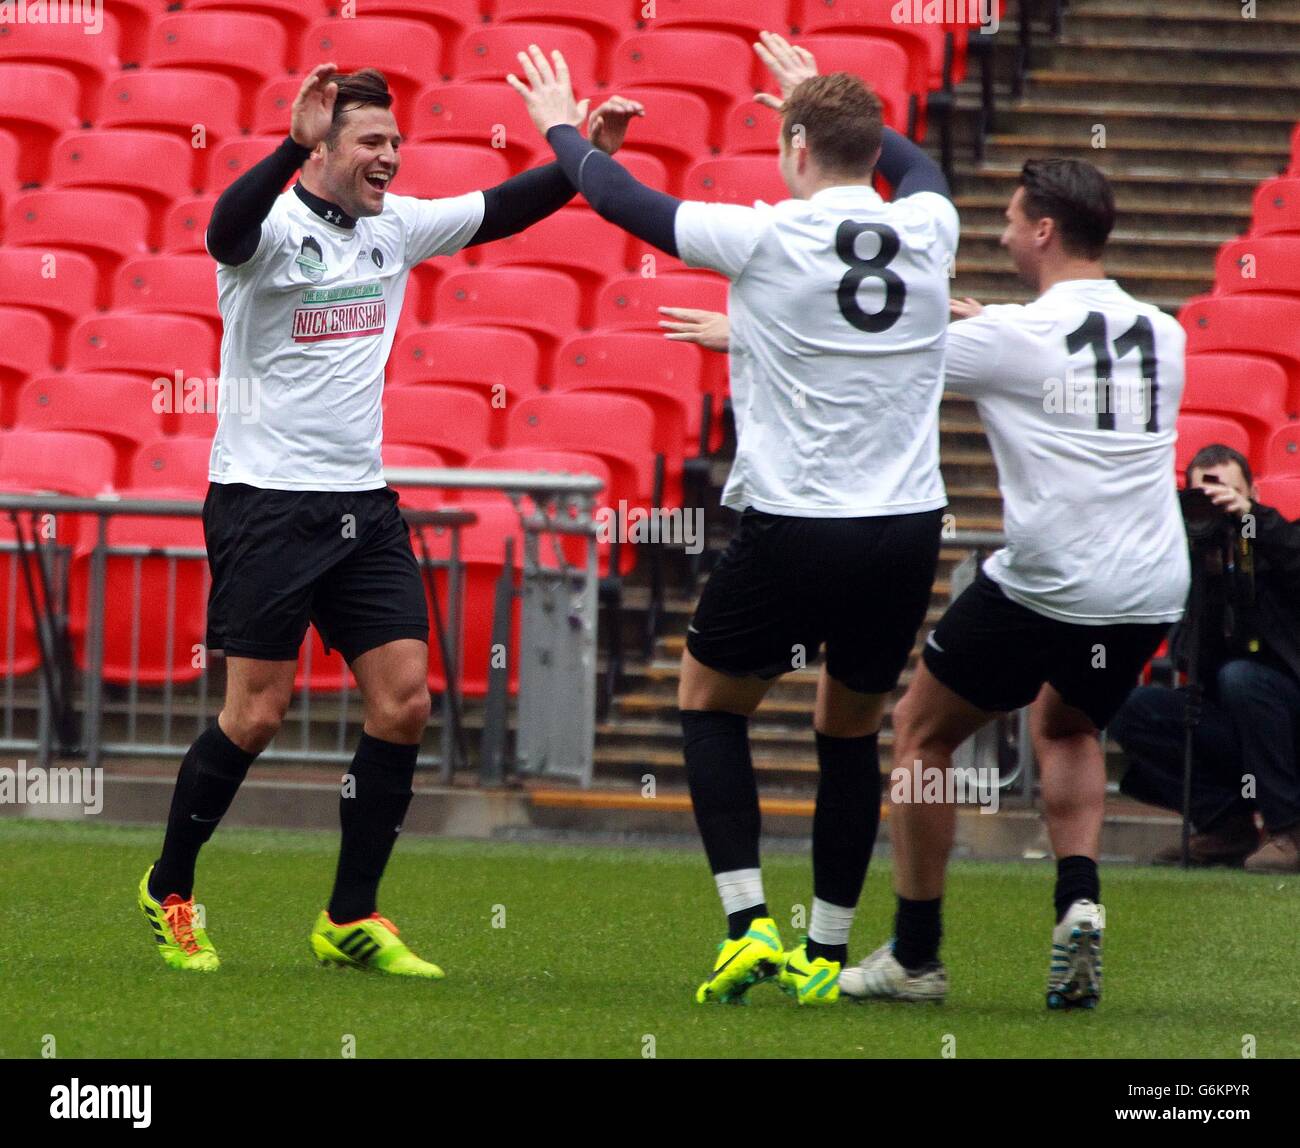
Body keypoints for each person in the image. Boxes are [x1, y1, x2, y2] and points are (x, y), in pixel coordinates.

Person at [138, 63, 641, 976]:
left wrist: (583, 163)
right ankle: (170, 885)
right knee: (254, 716)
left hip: (361, 506)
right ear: (323, 149)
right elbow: (223, 229)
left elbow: (499, 208)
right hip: (264, 502)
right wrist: (287, 143)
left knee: (404, 704)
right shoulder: (273, 232)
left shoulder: (393, 229)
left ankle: (351, 915)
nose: (391, 158)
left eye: (396, 142)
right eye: (372, 142)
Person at [509, 34, 958, 1005]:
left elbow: (621, 199)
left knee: (709, 698)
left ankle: (749, 922)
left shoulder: (765, 234)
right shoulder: (930, 223)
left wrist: (556, 123)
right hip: (906, 523)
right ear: (868, 147)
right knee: (848, 727)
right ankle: (829, 952)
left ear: (795, 147)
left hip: (798, 519)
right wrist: (821, 100)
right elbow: (916, 164)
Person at [834, 159, 1189, 1009]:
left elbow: (866, 349)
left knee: (921, 732)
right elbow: (1069, 366)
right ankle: (1078, 901)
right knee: (1066, 725)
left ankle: (916, 956)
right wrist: (995, 326)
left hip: (1050, 579)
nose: (996, 233)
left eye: (1009, 219)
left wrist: (748, 332)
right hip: (1147, 586)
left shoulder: (1008, 340)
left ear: (1043, 231)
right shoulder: (1166, 332)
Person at [1110, 444, 1300, 873]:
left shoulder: (1279, 539)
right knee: (1125, 706)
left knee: (1243, 678)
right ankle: (1227, 827)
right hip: (1237, 728)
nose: (1220, 509)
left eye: (1228, 496)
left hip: (1289, 723)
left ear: (1252, 490)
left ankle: (1289, 829)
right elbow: (1186, 660)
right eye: (1207, 500)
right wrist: (1209, 579)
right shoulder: (1196, 562)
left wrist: (1250, 523)